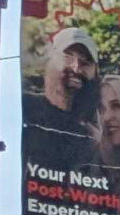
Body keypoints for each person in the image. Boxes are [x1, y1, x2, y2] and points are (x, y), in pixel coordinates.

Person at [22, 27, 100, 174]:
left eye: (86, 62)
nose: (76, 68)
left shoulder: (94, 137)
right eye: (68, 56)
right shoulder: (27, 108)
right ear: (49, 60)